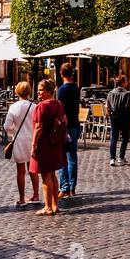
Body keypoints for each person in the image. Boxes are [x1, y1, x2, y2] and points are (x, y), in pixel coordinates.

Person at [30, 78, 67, 216]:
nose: (38, 93)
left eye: (41, 90)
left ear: (48, 91)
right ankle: (55, 205)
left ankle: (48, 207)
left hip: (44, 143)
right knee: (52, 175)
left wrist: (33, 144)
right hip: (55, 142)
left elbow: (38, 127)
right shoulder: (58, 104)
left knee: (46, 176)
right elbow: (65, 120)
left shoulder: (42, 106)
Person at [2, 81, 37, 206]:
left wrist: (14, 129)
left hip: (19, 140)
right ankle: (36, 195)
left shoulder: (14, 107)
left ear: (17, 91)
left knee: (20, 170)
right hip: (32, 139)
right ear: (29, 91)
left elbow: (7, 127)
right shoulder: (34, 106)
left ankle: (22, 198)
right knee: (33, 169)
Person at [56, 65, 81, 198]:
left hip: (66, 126)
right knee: (72, 157)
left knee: (62, 157)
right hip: (76, 124)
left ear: (61, 74)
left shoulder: (62, 90)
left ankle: (64, 187)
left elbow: (60, 109)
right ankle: (72, 187)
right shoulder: (76, 88)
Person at [105, 74, 130, 165]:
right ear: (123, 82)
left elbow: (107, 106)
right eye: (126, 81)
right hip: (125, 116)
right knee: (125, 137)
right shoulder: (129, 94)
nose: (127, 83)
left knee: (113, 137)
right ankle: (121, 157)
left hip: (114, 116)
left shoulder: (111, 93)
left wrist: (109, 115)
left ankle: (112, 159)